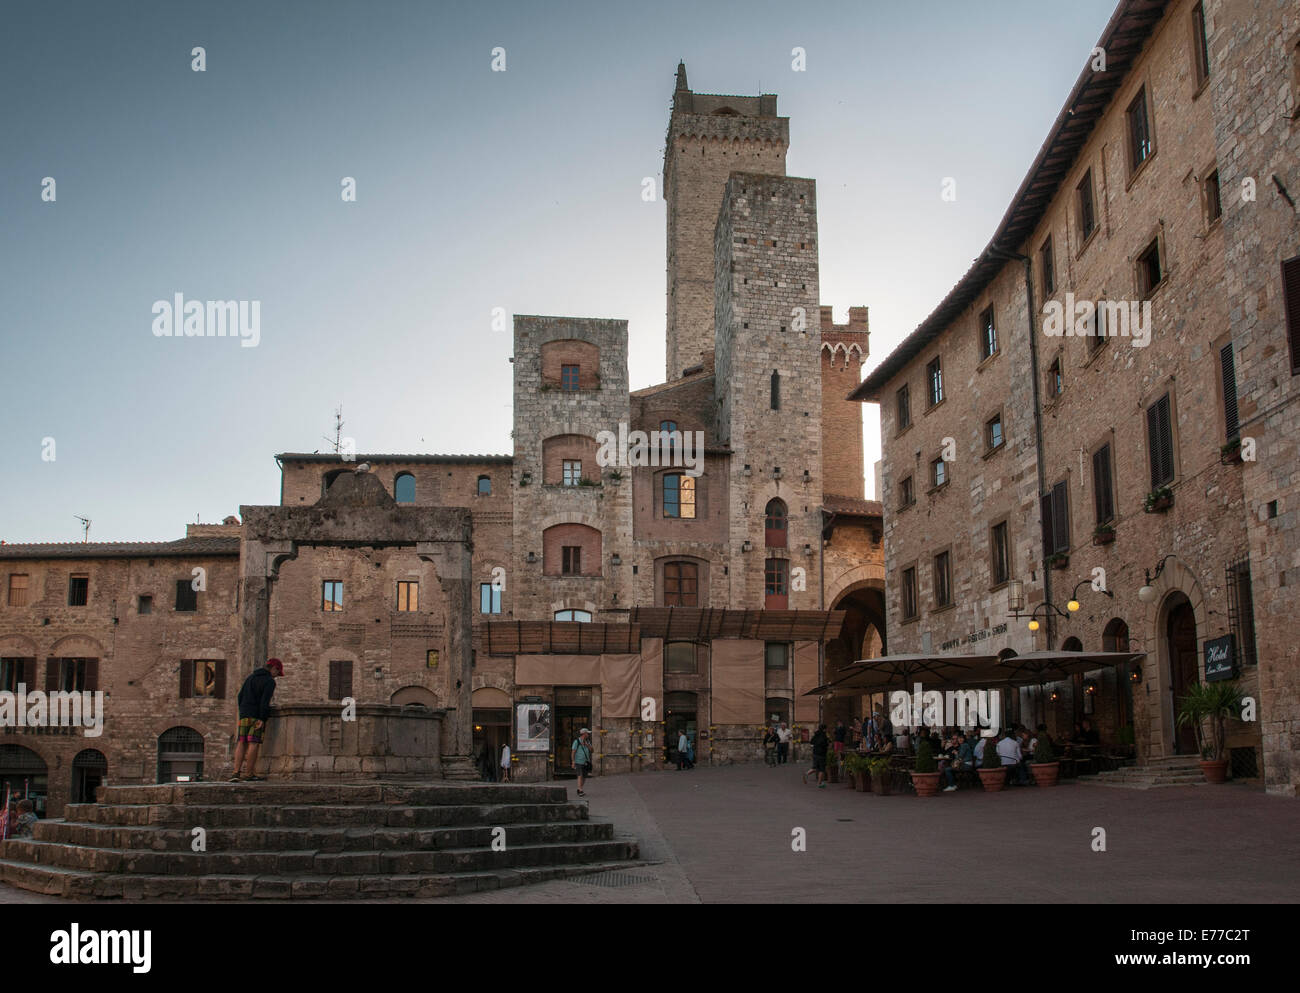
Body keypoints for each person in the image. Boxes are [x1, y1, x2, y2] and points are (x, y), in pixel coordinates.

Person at [230, 657, 283, 782]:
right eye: (277, 672)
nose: (276, 676)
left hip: (244, 713)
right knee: (253, 743)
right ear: (273, 669)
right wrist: (262, 718)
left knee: (241, 742)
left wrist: (243, 710)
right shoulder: (269, 681)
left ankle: (235, 772)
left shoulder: (250, 677)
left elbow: (240, 696)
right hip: (256, 715)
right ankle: (249, 773)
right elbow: (265, 701)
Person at [804, 723, 830, 788]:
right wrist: (827, 743)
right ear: (824, 729)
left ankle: (806, 774)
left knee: (815, 767)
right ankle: (819, 783)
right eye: (826, 729)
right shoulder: (824, 735)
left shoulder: (816, 734)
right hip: (822, 754)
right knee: (822, 769)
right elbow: (824, 744)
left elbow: (811, 742)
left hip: (815, 753)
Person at [572, 728, 594, 798]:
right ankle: (580, 790)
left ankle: (579, 788)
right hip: (578, 761)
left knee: (584, 777)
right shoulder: (577, 741)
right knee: (580, 775)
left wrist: (587, 745)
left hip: (586, 762)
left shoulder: (587, 741)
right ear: (584, 734)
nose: (588, 734)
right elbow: (573, 752)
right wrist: (573, 761)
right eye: (587, 733)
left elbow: (592, 750)